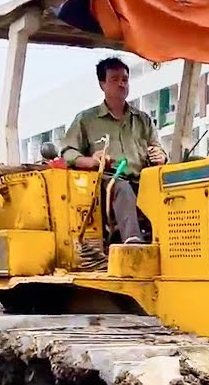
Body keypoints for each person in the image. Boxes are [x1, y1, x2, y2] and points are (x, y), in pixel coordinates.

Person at [60, 56, 167, 244]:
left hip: (142, 181)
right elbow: (68, 152)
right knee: (122, 187)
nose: (121, 84)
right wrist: (91, 161)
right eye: (114, 79)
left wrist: (161, 156)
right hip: (107, 184)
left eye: (125, 79)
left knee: (172, 188)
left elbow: (157, 147)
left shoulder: (143, 120)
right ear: (102, 84)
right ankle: (133, 242)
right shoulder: (87, 119)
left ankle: (170, 243)